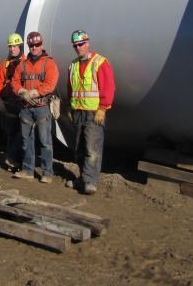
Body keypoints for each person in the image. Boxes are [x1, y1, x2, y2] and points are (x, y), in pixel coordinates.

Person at [65, 30, 115, 195]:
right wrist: (70, 107)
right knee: (79, 148)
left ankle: (90, 181)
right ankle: (82, 178)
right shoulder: (73, 65)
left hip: (93, 113)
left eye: (81, 44)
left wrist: (102, 108)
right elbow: (70, 88)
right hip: (78, 111)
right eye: (75, 45)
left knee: (92, 148)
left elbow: (108, 87)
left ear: (88, 43)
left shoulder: (100, 63)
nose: (78, 48)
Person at [10, 31, 59, 183]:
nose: (34, 47)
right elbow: (14, 81)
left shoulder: (49, 63)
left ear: (41, 45)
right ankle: (27, 170)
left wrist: (33, 93)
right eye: (31, 45)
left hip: (42, 107)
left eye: (37, 45)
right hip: (25, 108)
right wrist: (22, 92)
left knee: (45, 141)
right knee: (26, 140)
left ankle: (47, 173)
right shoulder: (23, 64)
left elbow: (50, 84)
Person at [0, 33, 25, 171]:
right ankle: (12, 160)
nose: (12, 49)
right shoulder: (5, 64)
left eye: (15, 46)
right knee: (11, 133)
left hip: (24, 104)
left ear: (20, 46)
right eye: (10, 46)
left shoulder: (27, 62)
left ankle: (24, 162)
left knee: (24, 135)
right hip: (10, 104)